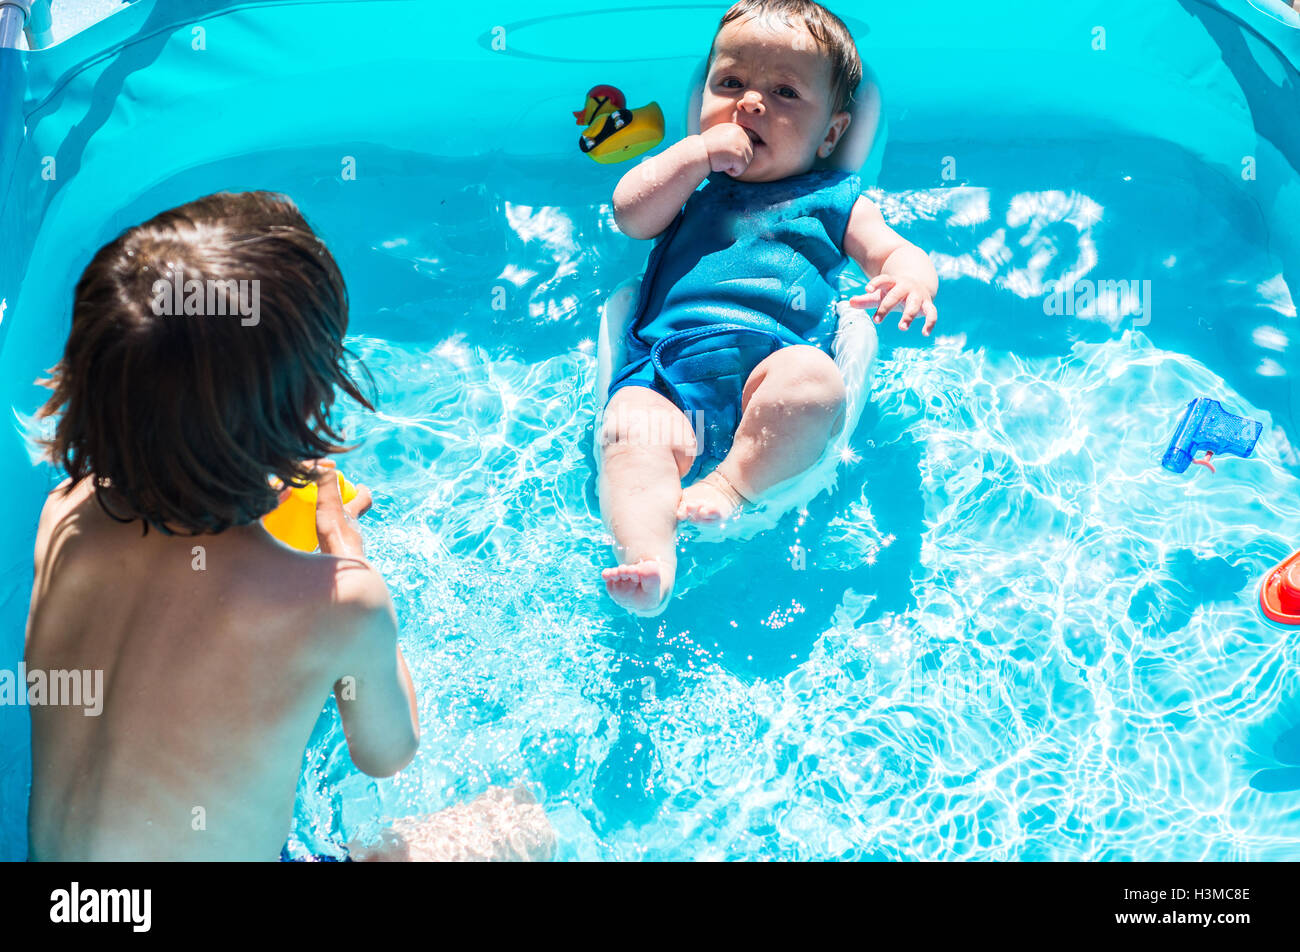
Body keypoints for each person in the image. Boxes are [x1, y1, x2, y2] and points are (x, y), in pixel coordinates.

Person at [24, 191, 421, 860]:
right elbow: (388, 754)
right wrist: (346, 556)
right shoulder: (340, 604)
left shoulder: (63, 514)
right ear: (303, 408)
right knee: (511, 825)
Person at [599, 0, 940, 615]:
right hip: (665, 374)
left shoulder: (835, 199)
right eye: (730, 84)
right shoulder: (689, 186)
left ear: (831, 133)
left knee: (813, 383)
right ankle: (649, 560)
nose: (751, 104)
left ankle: (729, 487)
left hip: (773, 371)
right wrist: (694, 156)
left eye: (784, 93)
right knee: (631, 427)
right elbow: (630, 215)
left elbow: (893, 253)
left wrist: (911, 280)